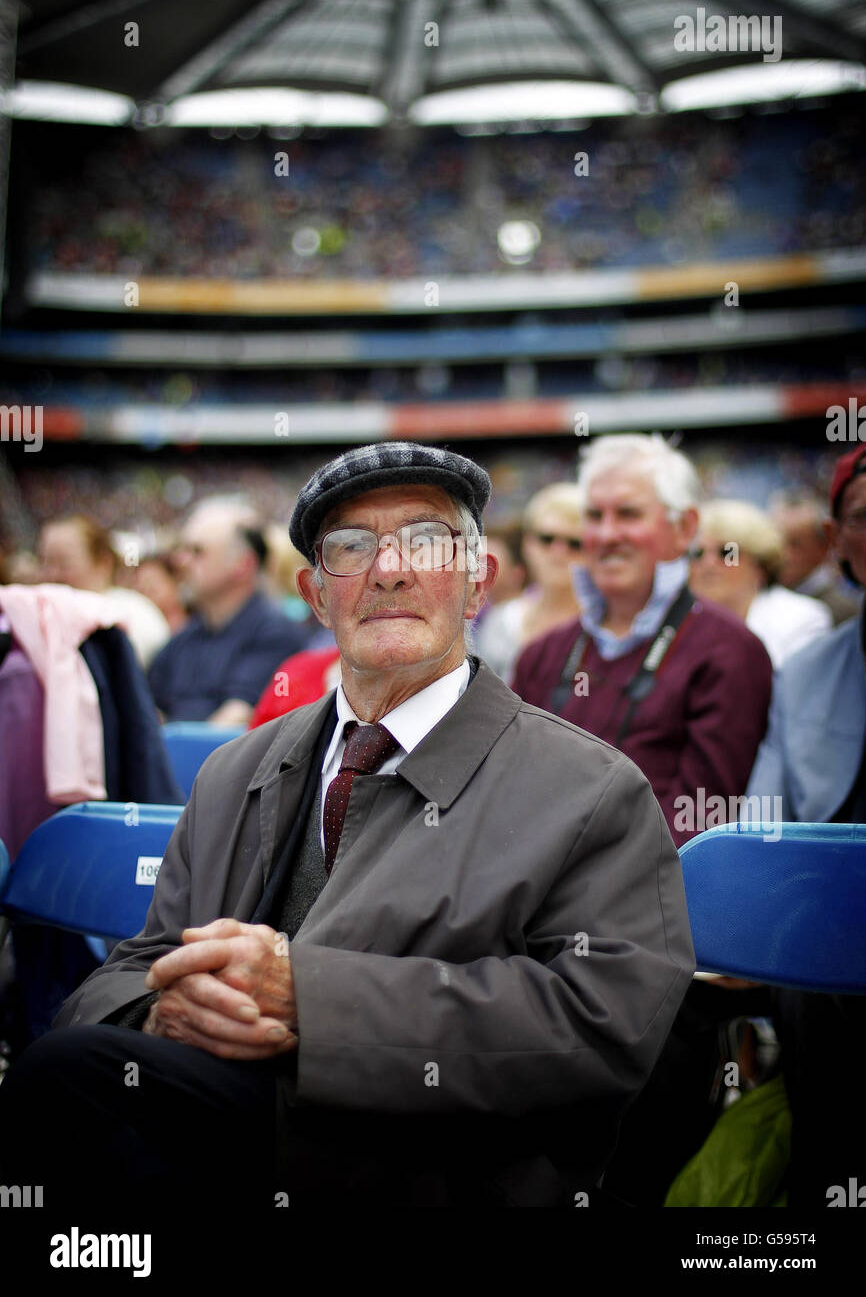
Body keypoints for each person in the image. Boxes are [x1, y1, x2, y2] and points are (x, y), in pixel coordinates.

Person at [0, 441, 695, 1213]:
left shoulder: (591, 790)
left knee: (63, 1079)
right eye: (350, 547)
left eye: (426, 541)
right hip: (215, 1129)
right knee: (65, 1071)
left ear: (478, 584)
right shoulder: (235, 771)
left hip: (432, 1170)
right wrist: (160, 1011)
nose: (388, 570)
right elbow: (140, 963)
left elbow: (604, 1029)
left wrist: (311, 1000)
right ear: (316, 594)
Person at [513, 435, 773, 844]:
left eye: (629, 514)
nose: (607, 534)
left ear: (684, 527)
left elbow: (697, 822)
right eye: (595, 516)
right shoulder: (541, 656)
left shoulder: (730, 652)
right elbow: (509, 795)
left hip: (649, 898)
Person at [747, 446, 866, 1206]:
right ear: (836, 541)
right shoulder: (808, 670)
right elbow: (767, 813)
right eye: (863, 518)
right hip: (828, 950)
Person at [147, 497, 308, 724]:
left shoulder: (275, 634)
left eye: (197, 551)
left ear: (243, 564)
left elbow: (234, 724)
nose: (181, 561)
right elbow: (149, 709)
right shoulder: (184, 638)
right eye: (182, 550)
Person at [690, 498, 831, 668]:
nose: (708, 563)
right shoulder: (680, 624)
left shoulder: (801, 619)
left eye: (727, 552)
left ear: (760, 564)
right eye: (698, 553)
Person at [475, 483, 583, 686]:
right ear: (528, 543)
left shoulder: (603, 627)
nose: (558, 552)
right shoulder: (503, 622)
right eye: (547, 539)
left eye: (575, 543)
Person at [38, 515, 170, 668]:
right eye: (45, 562)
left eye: (64, 563)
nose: (53, 575)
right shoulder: (41, 618)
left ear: (103, 562)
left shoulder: (135, 615)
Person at [769, 488, 859, 625]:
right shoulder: (763, 598)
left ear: (824, 547)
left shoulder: (842, 612)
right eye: (774, 541)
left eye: (794, 544)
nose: (780, 553)